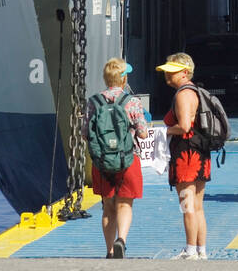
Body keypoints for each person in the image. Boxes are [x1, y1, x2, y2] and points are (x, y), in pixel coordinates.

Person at [87, 59, 150, 258]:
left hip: (102, 162)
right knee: (124, 204)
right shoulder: (132, 102)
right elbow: (142, 134)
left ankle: (109, 251)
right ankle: (121, 239)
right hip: (128, 160)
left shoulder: (93, 102)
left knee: (108, 207)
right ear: (123, 80)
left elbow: (84, 133)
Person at [155, 53, 208, 260]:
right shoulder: (195, 91)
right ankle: (201, 250)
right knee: (197, 206)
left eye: (172, 70)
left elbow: (185, 126)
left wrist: (162, 131)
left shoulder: (183, 95)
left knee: (187, 206)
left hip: (186, 155)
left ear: (184, 72)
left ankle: (190, 250)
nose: (167, 74)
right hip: (199, 153)